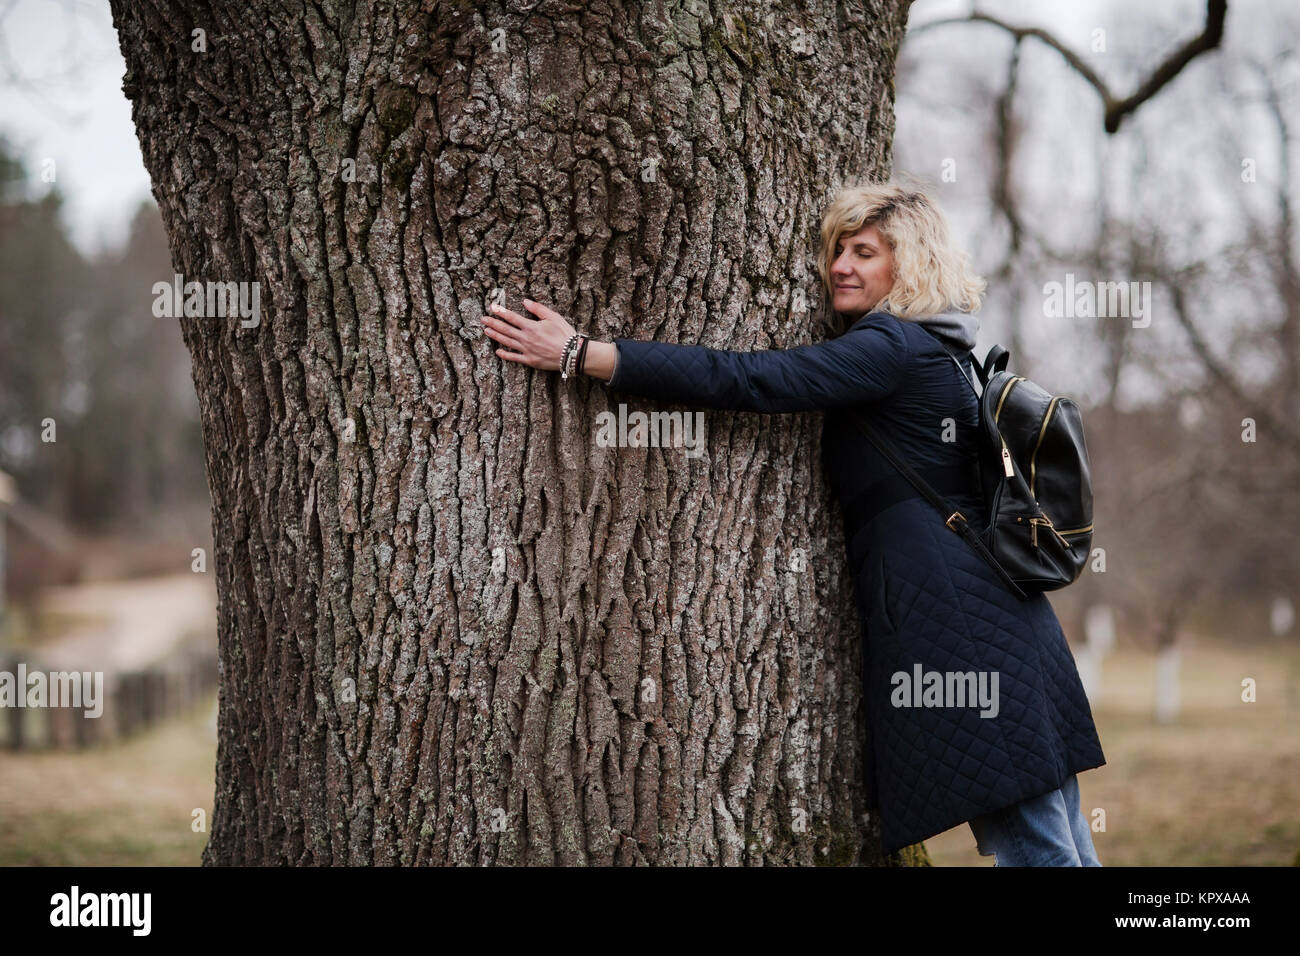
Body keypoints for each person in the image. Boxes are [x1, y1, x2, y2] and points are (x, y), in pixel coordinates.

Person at [480, 180, 1105, 866]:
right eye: (837, 249)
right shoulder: (947, 349)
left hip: (961, 629)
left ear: (910, 263)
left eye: (863, 252)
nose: (839, 265)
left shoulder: (891, 345)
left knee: (1036, 845)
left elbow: (753, 380)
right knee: (1056, 834)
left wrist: (587, 353)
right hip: (1003, 620)